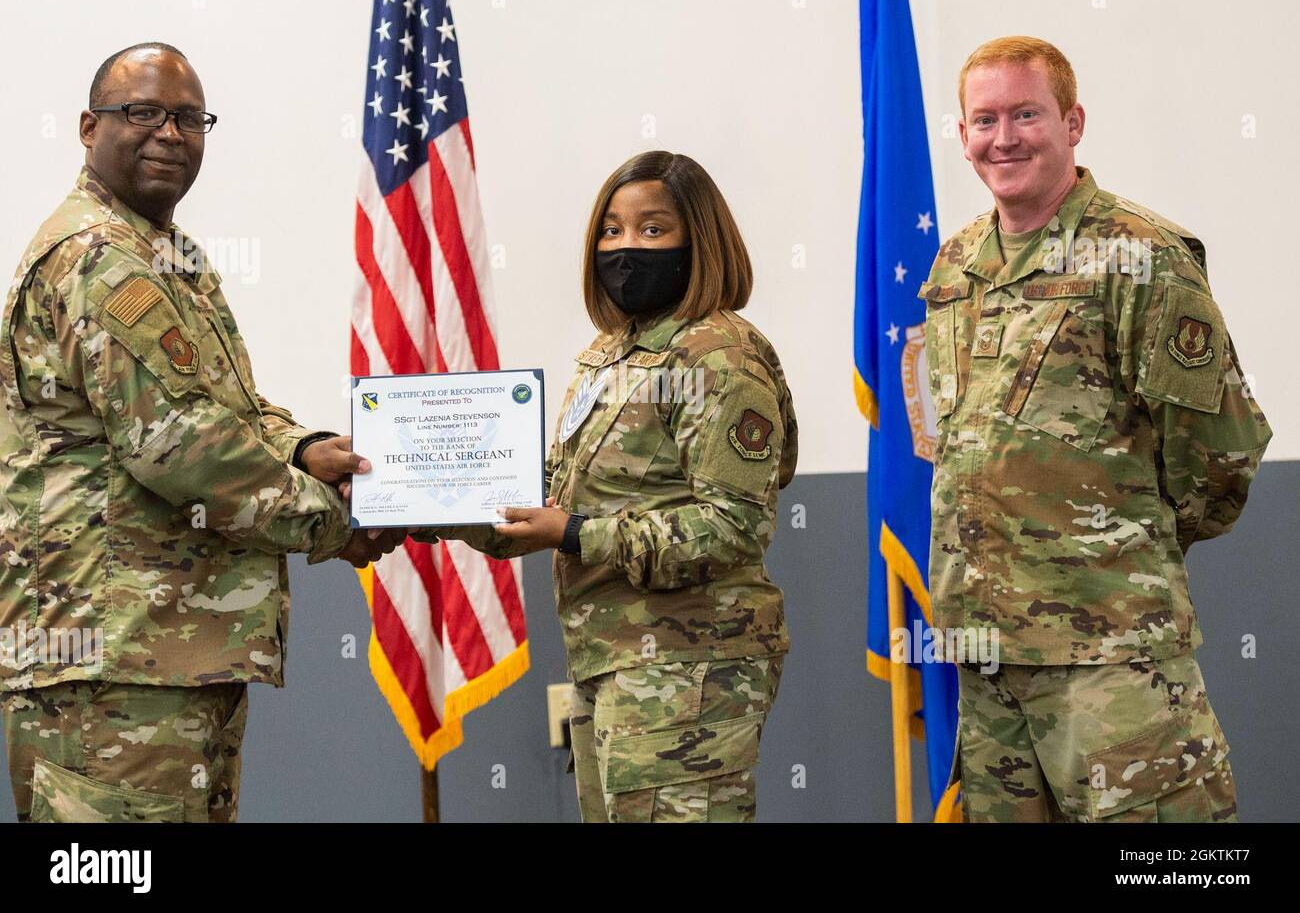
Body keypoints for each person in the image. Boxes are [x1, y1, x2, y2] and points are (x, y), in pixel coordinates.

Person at [0, 43, 404, 822]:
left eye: (189, 118)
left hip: (162, 648)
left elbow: (227, 409)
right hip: (111, 658)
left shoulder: (163, 253)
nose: (169, 134)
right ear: (89, 127)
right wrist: (332, 517)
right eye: (142, 113)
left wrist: (299, 447)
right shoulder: (100, 257)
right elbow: (179, 446)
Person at [919, 36, 1272, 822]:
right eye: (983, 119)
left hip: (1111, 655)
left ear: (1073, 122)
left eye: (1026, 114)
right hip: (986, 654)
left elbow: (1221, 455)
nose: (1002, 138)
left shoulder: (1142, 256)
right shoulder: (957, 264)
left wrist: (1119, 553)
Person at [408, 151, 797, 821]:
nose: (625, 247)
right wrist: (420, 499)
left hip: (690, 673)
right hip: (612, 663)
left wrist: (579, 534)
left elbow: (732, 526)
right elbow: (557, 495)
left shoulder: (719, 356)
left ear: (699, 241)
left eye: (652, 230)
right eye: (611, 231)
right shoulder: (609, 353)